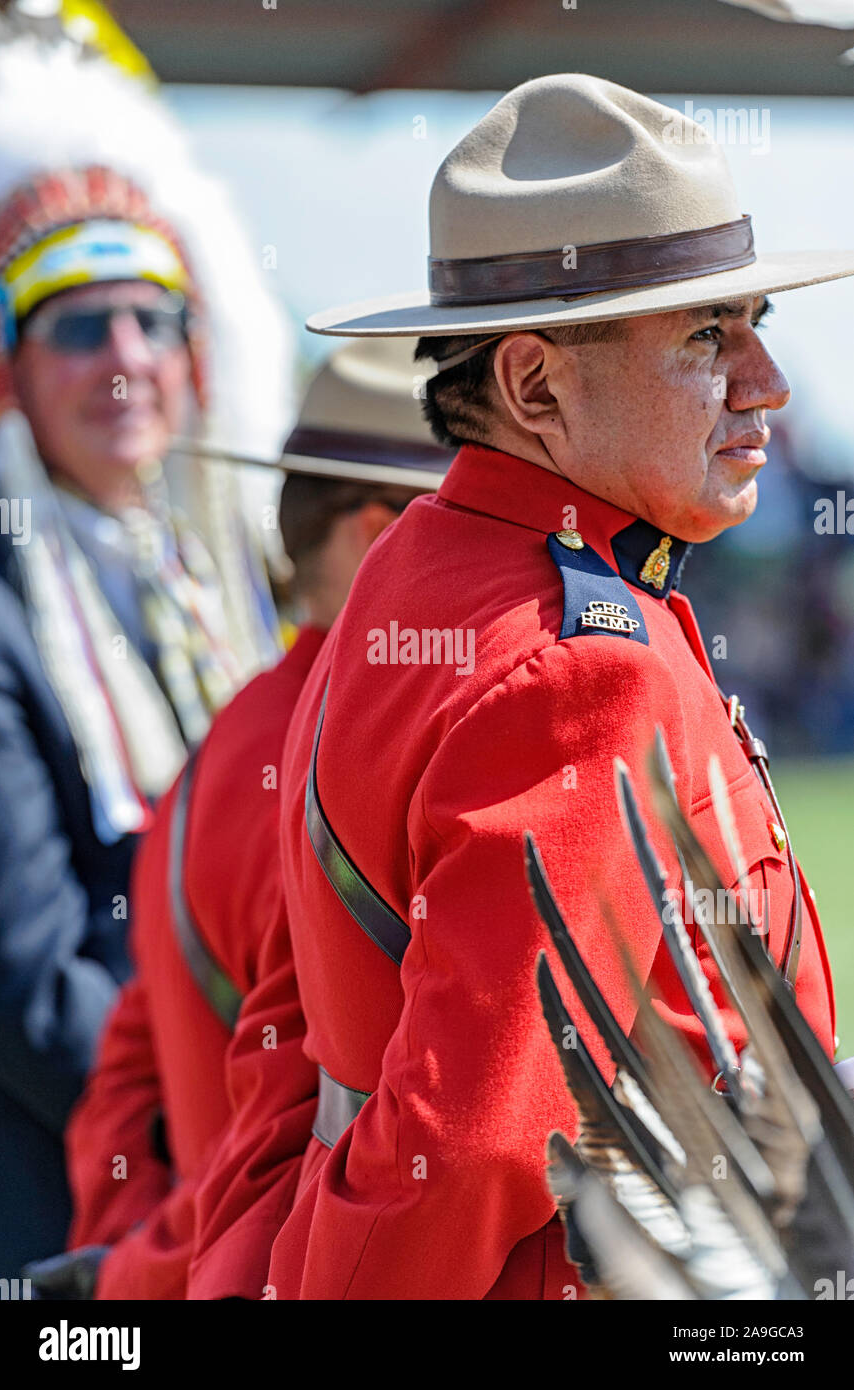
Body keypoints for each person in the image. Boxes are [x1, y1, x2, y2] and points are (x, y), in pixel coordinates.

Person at [256, 74, 850, 1299]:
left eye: (752, 323)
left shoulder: (422, 573)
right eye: (703, 335)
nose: (764, 383)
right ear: (533, 387)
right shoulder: (582, 664)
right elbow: (464, 1149)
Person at [27, 341, 451, 1300]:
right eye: (471, 524)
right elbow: (301, 1143)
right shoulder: (337, 765)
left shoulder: (232, 743)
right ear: (381, 533)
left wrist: (117, 1273)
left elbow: (119, 1104)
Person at [0, 165, 277, 1273]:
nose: (123, 358)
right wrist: (227, 1110)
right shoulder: (3, 607)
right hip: (64, 1199)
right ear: (9, 371)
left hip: (212, 1166)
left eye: (151, 321)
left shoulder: (220, 582)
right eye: (75, 329)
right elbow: (26, 985)